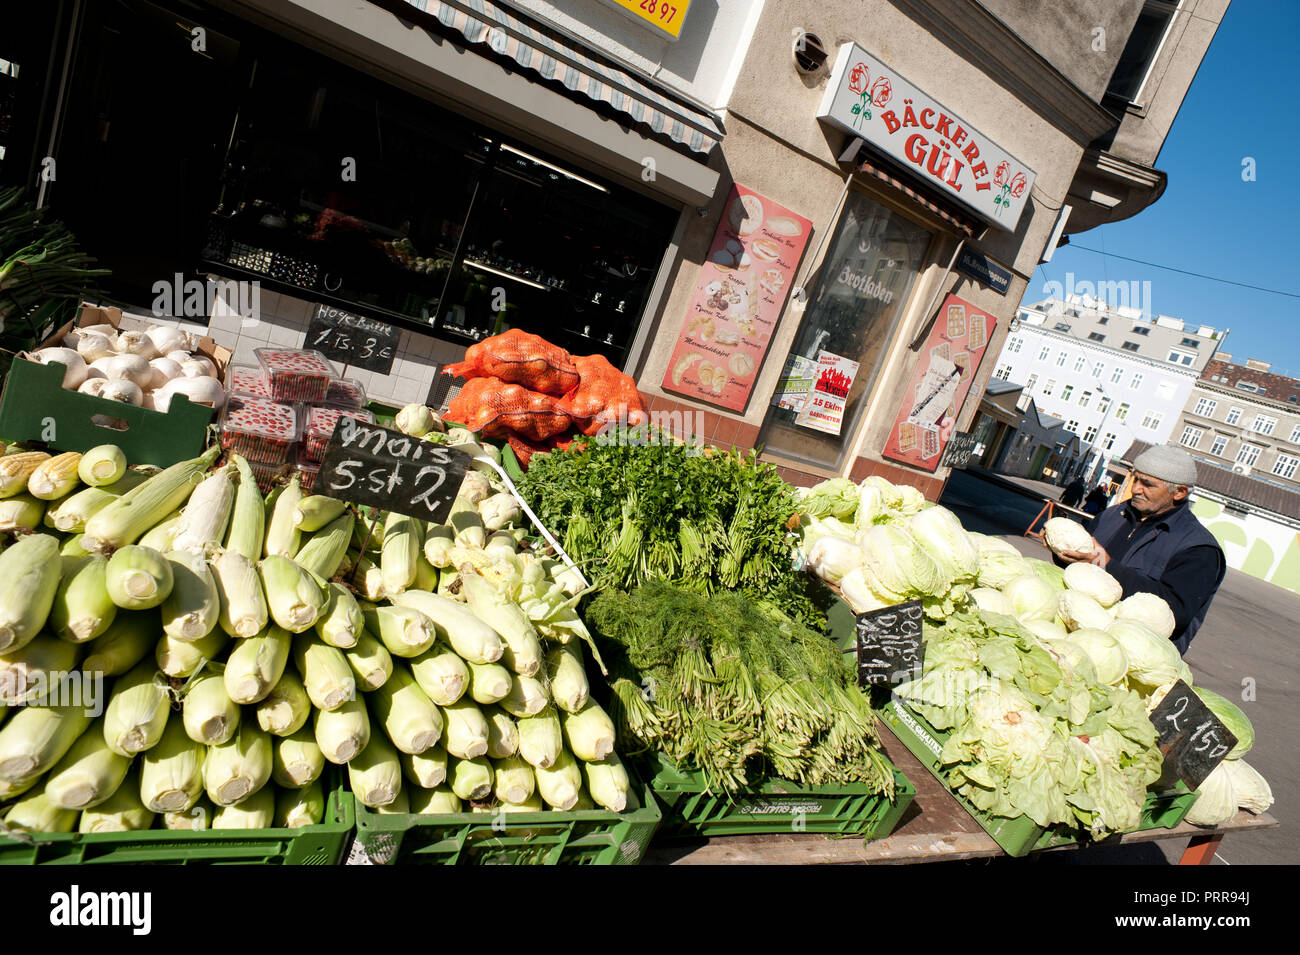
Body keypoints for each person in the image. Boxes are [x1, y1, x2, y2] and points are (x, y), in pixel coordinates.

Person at [1057, 444, 1225, 654]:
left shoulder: (1199, 548)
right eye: (1136, 479)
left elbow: (1174, 612)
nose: (1135, 488)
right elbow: (1083, 563)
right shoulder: (1114, 515)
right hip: (1077, 635)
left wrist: (1107, 566)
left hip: (1133, 656)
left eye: (1147, 484)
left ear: (1179, 492)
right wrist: (1063, 553)